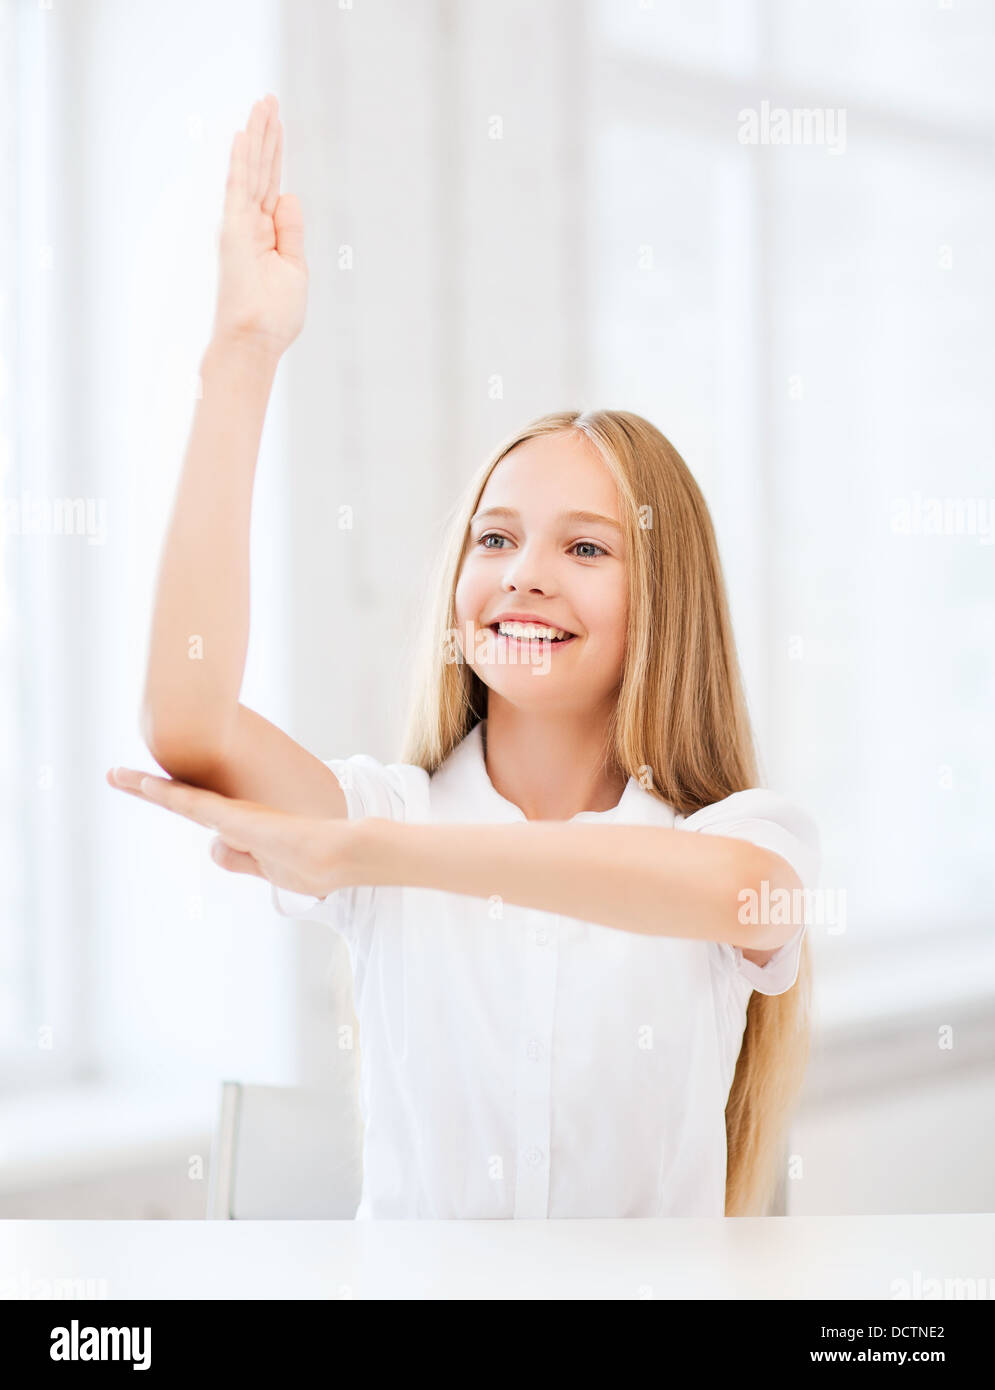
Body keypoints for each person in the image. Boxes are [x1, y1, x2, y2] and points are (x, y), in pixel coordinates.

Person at [108, 93, 820, 1220]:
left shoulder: (733, 838)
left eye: (584, 546)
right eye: (495, 537)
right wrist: (241, 353)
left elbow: (745, 897)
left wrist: (374, 856)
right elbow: (188, 716)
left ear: (664, 602)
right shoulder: (382, 815)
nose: (524, 573)